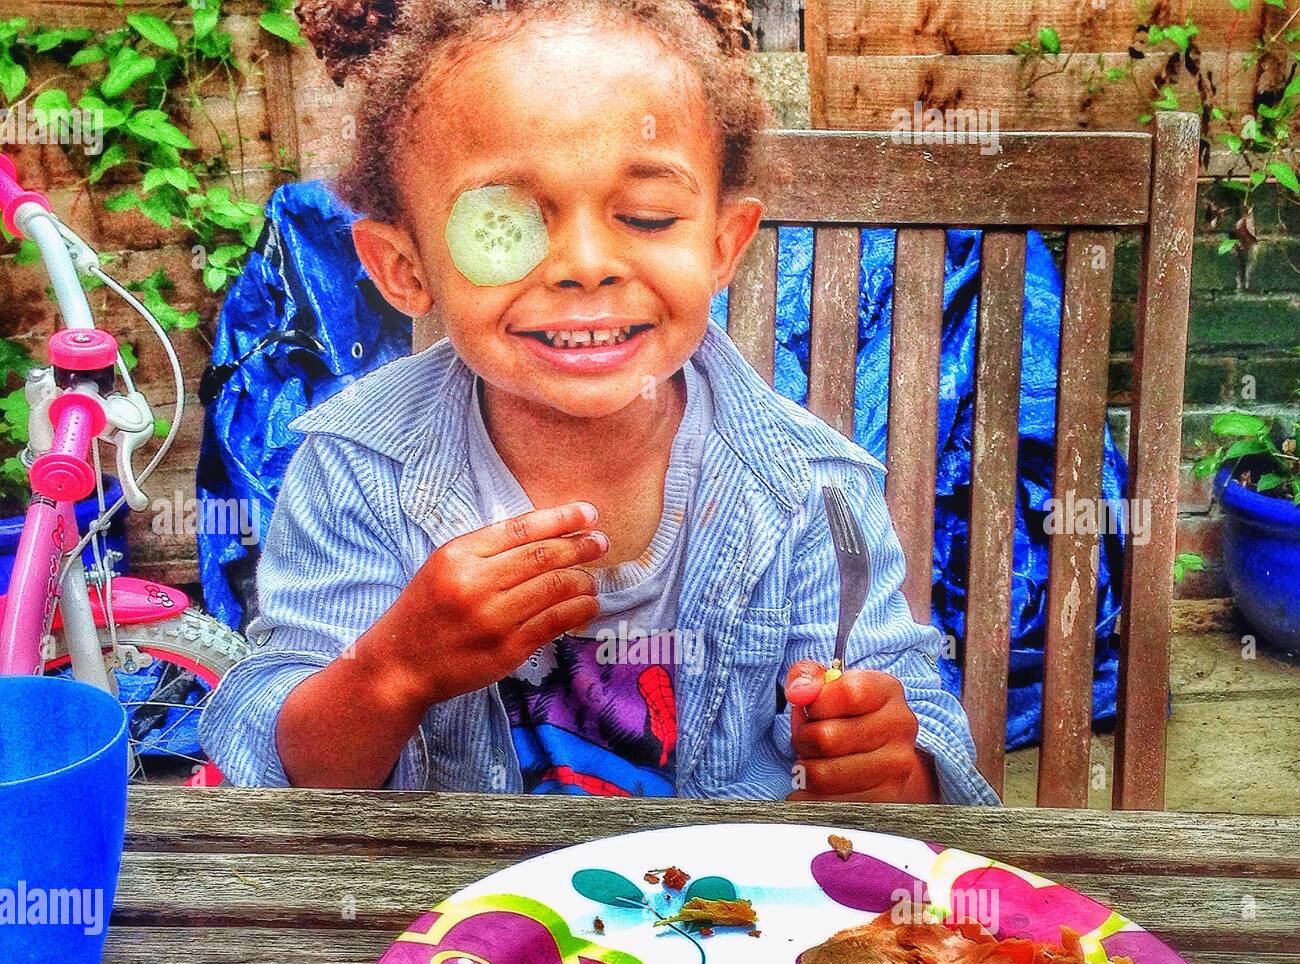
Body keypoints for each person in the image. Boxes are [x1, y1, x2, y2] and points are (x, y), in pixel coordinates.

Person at [200, 0, 997, 805]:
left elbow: (917, 744)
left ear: (723, 246)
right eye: (508, 221)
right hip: (458, 923)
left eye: (647, 216)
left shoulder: (812, 492)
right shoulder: (354, 472)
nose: (586, 264)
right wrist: (392, 670)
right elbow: (288, 778)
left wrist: (892, 765)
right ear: (402, 267)